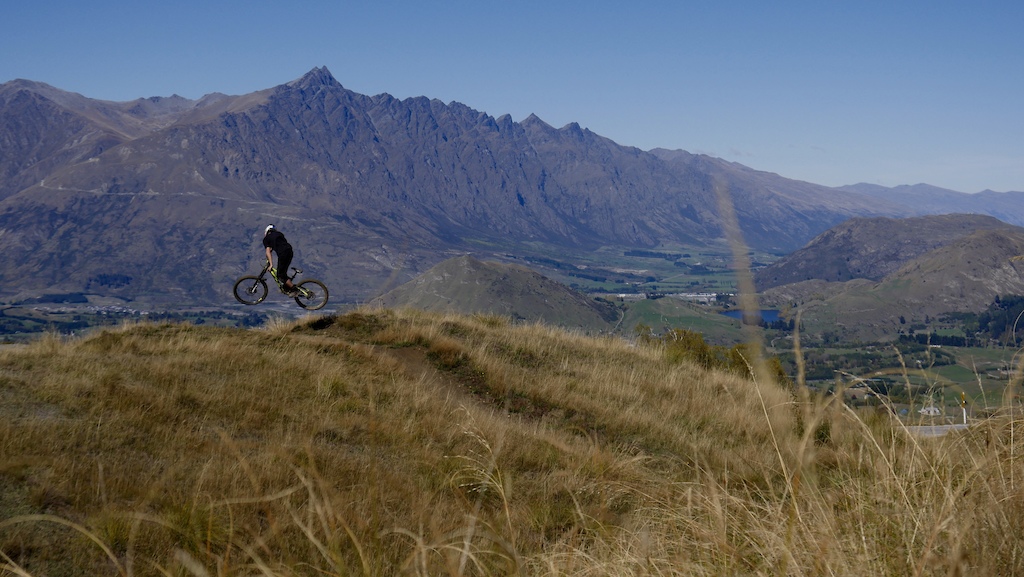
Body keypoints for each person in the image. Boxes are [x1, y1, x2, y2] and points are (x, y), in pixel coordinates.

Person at [263, 224, 297, 294]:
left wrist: (271, 264)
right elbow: (279, 244)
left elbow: (268, 251)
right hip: (290, 251)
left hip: (283, 253)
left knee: (280, 275)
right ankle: (287, 287)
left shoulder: (266, 239)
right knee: (283, 273)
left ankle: (295, 290)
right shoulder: (279, 234)